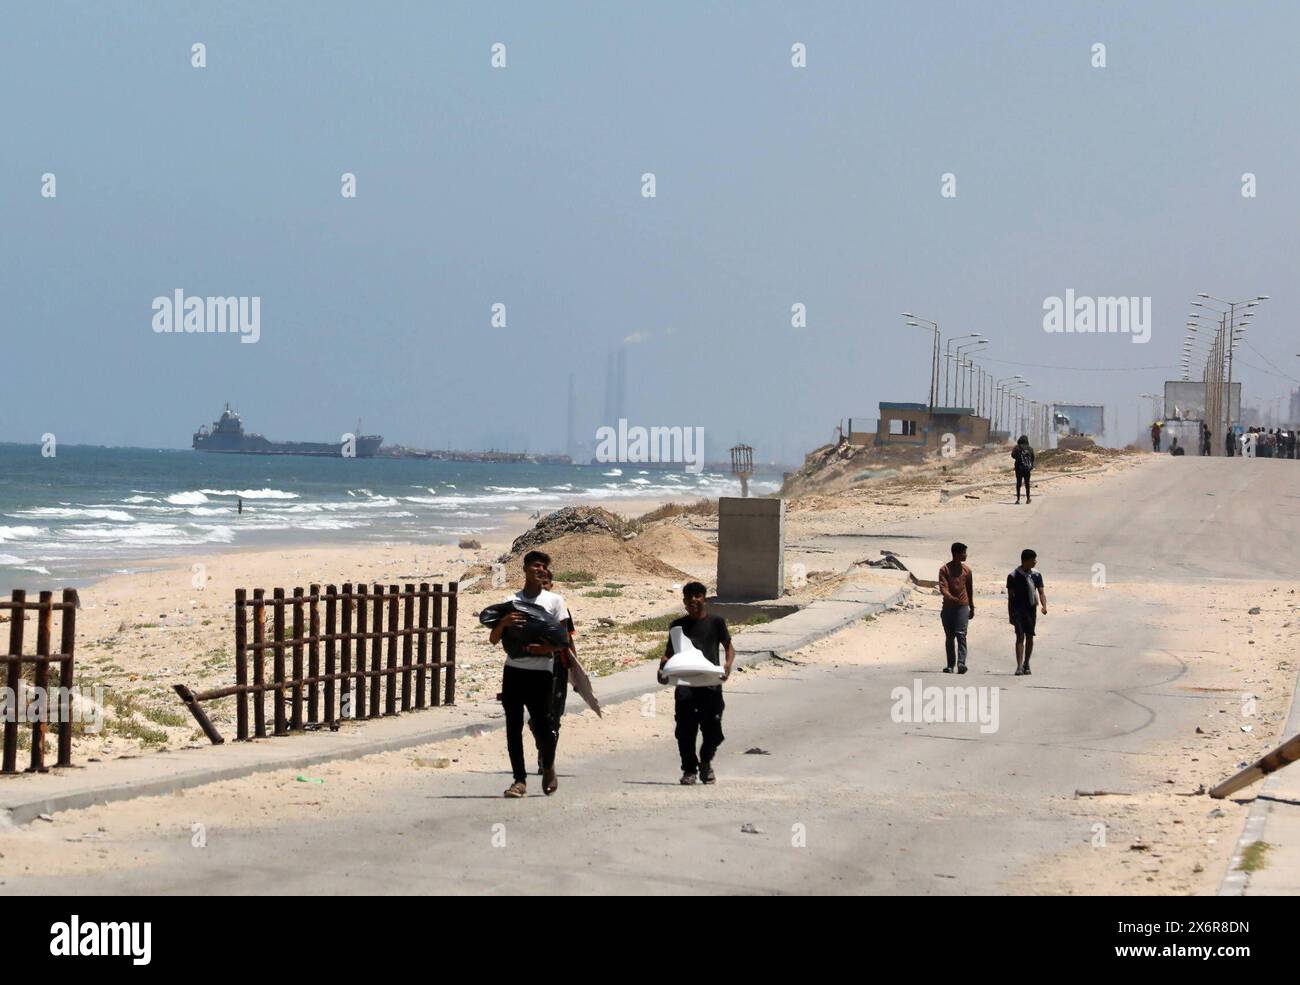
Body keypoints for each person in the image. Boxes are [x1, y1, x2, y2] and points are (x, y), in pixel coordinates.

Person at [489, 550, 571, 798]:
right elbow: (493, 639)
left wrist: (545, 648)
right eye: (536, 565)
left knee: (544, 727)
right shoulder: (510, 601)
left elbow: (563, 641)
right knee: (513, 727)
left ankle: (548, 767)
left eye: (544, 566)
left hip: (541, 674)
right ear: (524, 569)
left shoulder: (555, 601)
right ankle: (519, 781)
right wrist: (503, 623)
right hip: (513, 671)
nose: (541, 570)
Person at [657, 582, 733, 785]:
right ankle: (689, 769)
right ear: (684, 601)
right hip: (685, 685)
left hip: (710, 684)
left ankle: (706, 762)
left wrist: (727, 665)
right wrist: (662, 668)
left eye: (697, 596)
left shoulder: (716, 622)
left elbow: (728, 646)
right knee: (685, 731)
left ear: (704, 599)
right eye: (689, 597)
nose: (693, 600)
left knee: (713, 731)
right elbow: (669, 653)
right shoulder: (677, 626)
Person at [532, 570, 575, 776]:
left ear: (552, 585)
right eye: (539, 583)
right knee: (536, 717)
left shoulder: (559, 607)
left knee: (554, 716)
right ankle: (543, 750)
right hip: (533, 666)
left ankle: (546, 760)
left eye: (546, 583)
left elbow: (568, 638)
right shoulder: (527, 609)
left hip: (558, 666)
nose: (543, 587)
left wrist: (575, 668)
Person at [1007, 549, 1047, 676]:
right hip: (1018, 610)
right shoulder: (1013, 576)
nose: (1035, 562)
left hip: (1031, 610)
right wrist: (1010, 614)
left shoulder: (1036, 575)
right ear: (1026, 561)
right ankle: (1019, 666)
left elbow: (1041, 592)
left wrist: (1044, 606)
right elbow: (1010, 597)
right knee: (1020, 636)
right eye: (1033, 560)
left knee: (1029, 636)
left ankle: (1027, 663)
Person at [938, 542, 974, 674]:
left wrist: (972, 607)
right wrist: (950, 597)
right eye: (963, 553)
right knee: (949, 636)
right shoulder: (944, 570)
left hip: (962, 607)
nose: (965, 555)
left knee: (961, 634)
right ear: (956, 554)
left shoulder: (967, 570)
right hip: (948, 608)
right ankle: (950, 665)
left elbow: (970, 589)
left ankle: (961, 663)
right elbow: (943, 587)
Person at [1012, 435, 1035, 504]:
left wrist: (1018, 457)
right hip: (1027, 469)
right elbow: (1033, 458)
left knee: (1018, 483)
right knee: (1027, 484)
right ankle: (1028, 499)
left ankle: (1018, 499)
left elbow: (1013, 456)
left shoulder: (1017, 447)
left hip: (1018, 468)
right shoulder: (1030, 448)